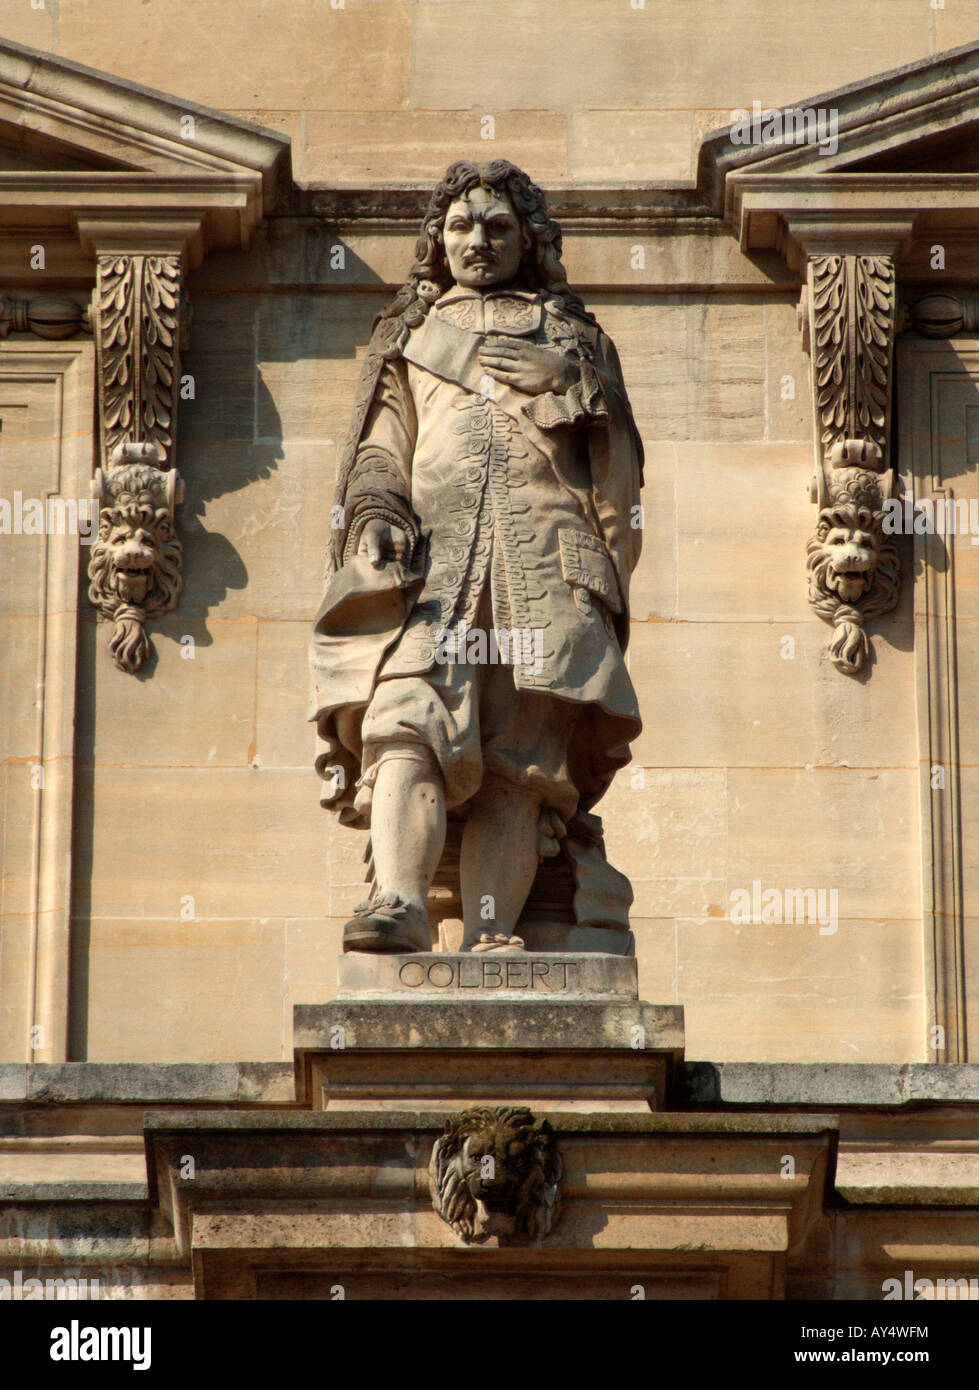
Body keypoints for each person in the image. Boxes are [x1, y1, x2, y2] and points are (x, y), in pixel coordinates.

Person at [310, 159, 644, 955]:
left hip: (546, 570)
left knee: (520, 762)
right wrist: (379, 510)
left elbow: (621, 471)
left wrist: (572, 383)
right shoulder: (411, 335)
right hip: (434, 568)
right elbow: (380, 447)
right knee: (401, 719)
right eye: (460, 226)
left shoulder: (575, 338)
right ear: (438, 239)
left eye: (497, 227)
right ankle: (398, 900)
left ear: (528, 240)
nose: (477, 241)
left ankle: (492, 935)